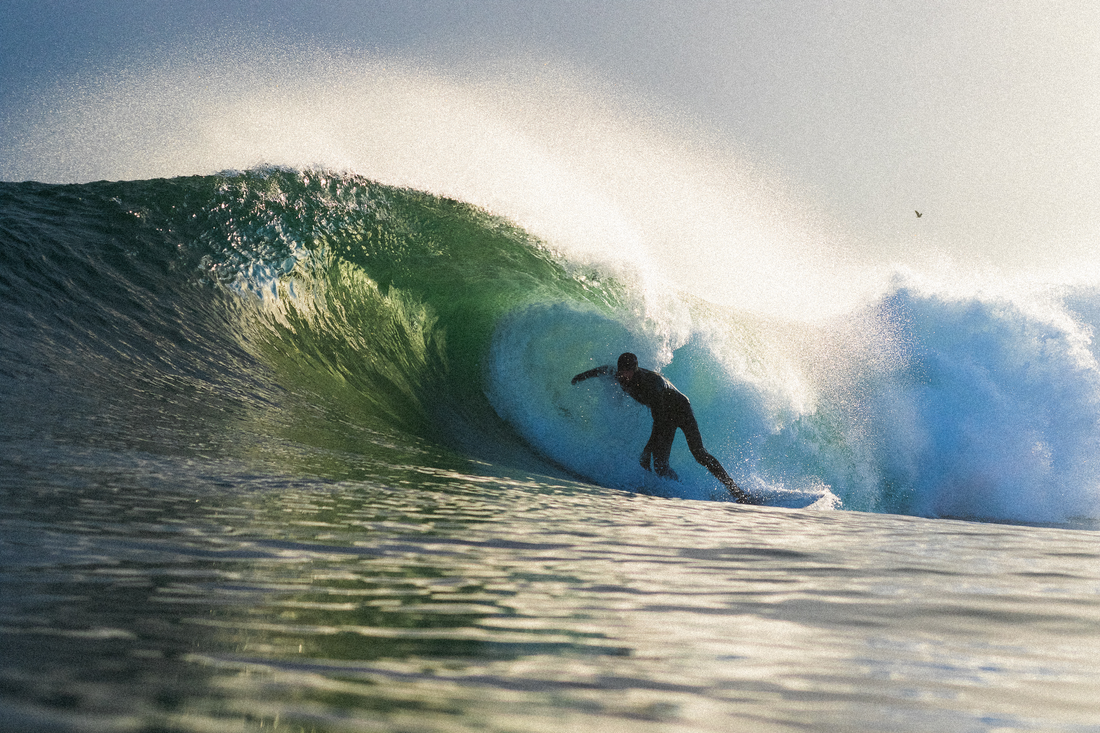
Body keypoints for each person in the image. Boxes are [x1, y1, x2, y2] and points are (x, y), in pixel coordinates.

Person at [571, 352, 754, 503]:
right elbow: (601, 371)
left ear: (635, 370)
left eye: (627, 372)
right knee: (660, 466)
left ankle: (736, 491)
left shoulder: (652, 384)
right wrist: (579, 377)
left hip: (681, 410)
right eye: (621, 371)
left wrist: (647, 449)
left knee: (699, 453)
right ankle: (681, 491)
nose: (623, 375)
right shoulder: (618, 373)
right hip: (665, 417)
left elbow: (658, 421)